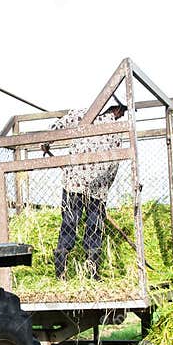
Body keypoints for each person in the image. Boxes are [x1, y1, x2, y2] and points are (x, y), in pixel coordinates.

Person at [47, 104, 127, 279]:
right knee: (94, 229)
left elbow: (57, 126)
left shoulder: (82, 114)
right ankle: (92, 274)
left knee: (69, 224)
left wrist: (46, 143)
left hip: (73, 183)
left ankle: (61, 273)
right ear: (116, 109)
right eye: (123, 111)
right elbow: (114, 164)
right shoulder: (115, 130)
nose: (122, 115)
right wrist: (105, 188)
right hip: (97, 190)